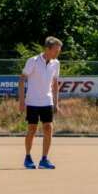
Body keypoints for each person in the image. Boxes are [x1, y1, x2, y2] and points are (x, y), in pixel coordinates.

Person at [18, 36, 62, 169]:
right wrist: (21, 101)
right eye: (56, 50)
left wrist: (56, 103)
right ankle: (27, 157)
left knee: (48, 128)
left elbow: (55, 84)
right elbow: (21, 80)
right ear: (47, 49)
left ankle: (44, 159)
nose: (57, 53)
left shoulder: (56, 63)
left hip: (47, 101)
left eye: (59, 50)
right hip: (32, 101)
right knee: (32, 129)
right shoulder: (33, 61)